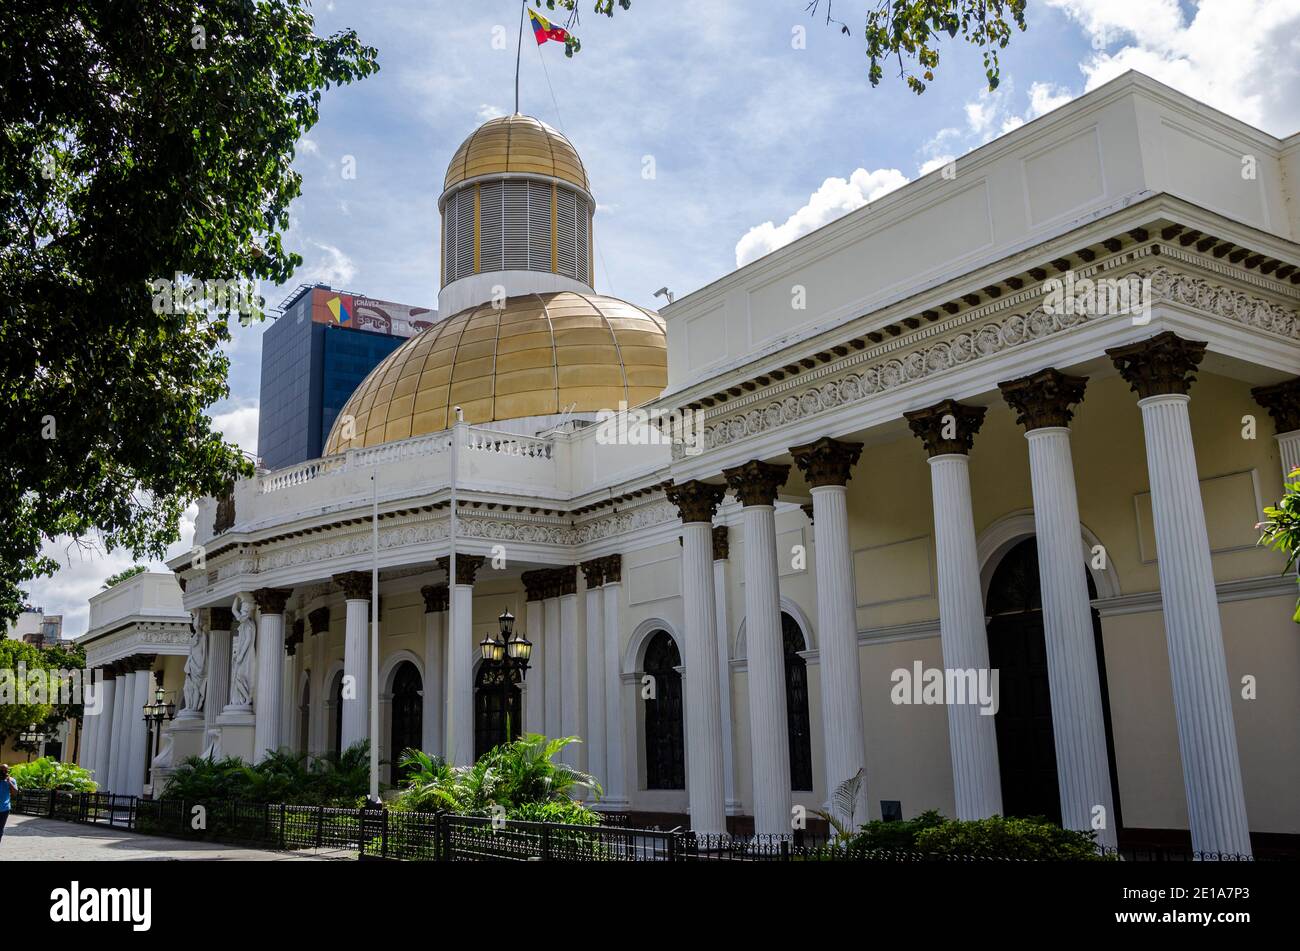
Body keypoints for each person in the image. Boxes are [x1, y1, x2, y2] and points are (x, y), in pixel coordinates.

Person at [0, 764, 16, 842]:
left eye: (5, 771)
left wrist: (9, 782)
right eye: (1, 771)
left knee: (0, 829)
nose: (3, 772)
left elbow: (15, 793)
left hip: (4, 809)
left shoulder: (12, 780)